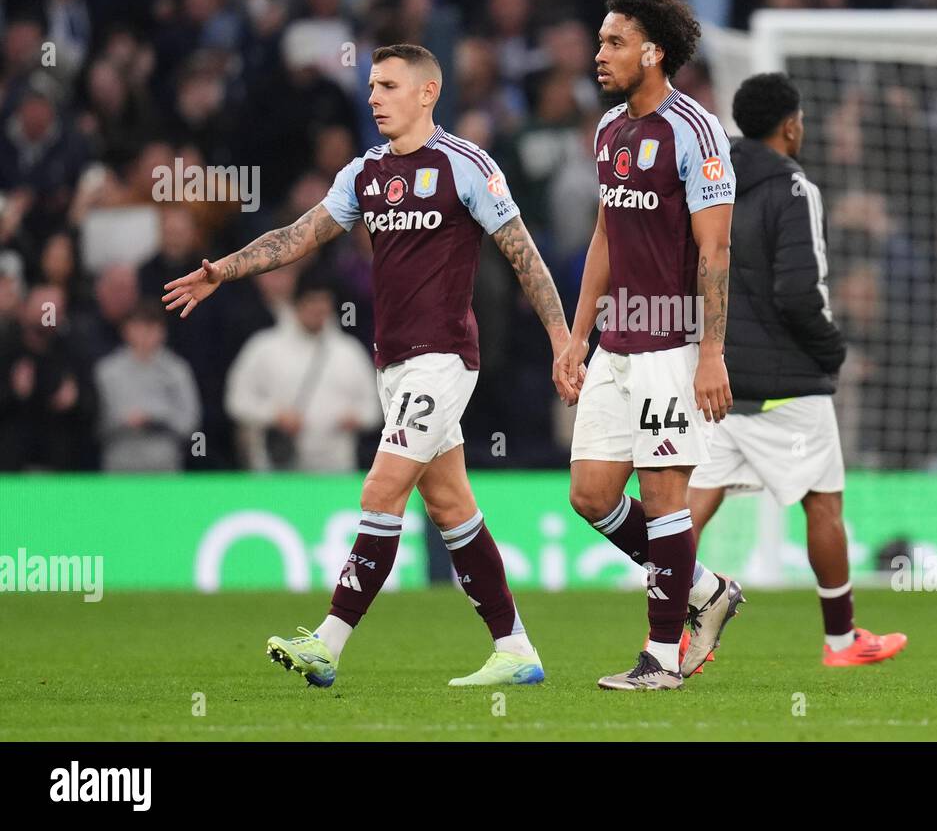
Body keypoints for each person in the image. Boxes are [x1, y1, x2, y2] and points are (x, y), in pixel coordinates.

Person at [164, 43, 576, 688]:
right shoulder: (363, 173)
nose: (374, 96)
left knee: (381, 492)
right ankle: (515, 647)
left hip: (442, 361)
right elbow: (297, 237)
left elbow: (525, 256)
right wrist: (225, 269)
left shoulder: (466, 166)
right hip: (392, 363)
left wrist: (561, 340)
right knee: (450, 507)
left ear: (426, 93)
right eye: (372, 85)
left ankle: (328, 643)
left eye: (387, 85)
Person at [686, 73, 907, 666]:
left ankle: (669, 637)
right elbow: (798, 293)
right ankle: (840, 641)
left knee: (691, 506)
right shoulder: (794, 190)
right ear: (789, 125)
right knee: (822, 506)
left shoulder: (711, 181)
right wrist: (831, 351)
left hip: (717, 378)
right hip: (789, 385)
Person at [556, 0, 741, 691]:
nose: (599, 54)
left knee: (666, 499)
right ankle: (705, 593)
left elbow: (717, 251)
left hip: (673, 344)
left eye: (614, 42)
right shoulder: (609, 130)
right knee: (591, 494)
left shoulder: (695, 132)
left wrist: (712, 353)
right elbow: (606, 231)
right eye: (601, 41)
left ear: (654, 52)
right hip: (616, 342)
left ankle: (662, 659)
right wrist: (577, 337)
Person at [224, 272, 381, 471]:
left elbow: (374, 408)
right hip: (278, 468)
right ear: (297, 304)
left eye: (323, 306)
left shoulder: (349, 351)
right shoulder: (264, 347)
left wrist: (357, 417)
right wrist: (274, 415)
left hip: (337, 469)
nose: (318, 313)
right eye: (312, 304)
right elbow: (236, 400)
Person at [95, 302, 200, 471]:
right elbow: (96, 423)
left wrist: (155, 419)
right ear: (125, 330)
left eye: (151, 328)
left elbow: (189, 422)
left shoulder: (176, 370)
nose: (144, 335)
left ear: (162, 332)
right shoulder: (107, 371)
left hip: (163, 462)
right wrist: (123, 421)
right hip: (119, 462)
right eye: (138, 328)